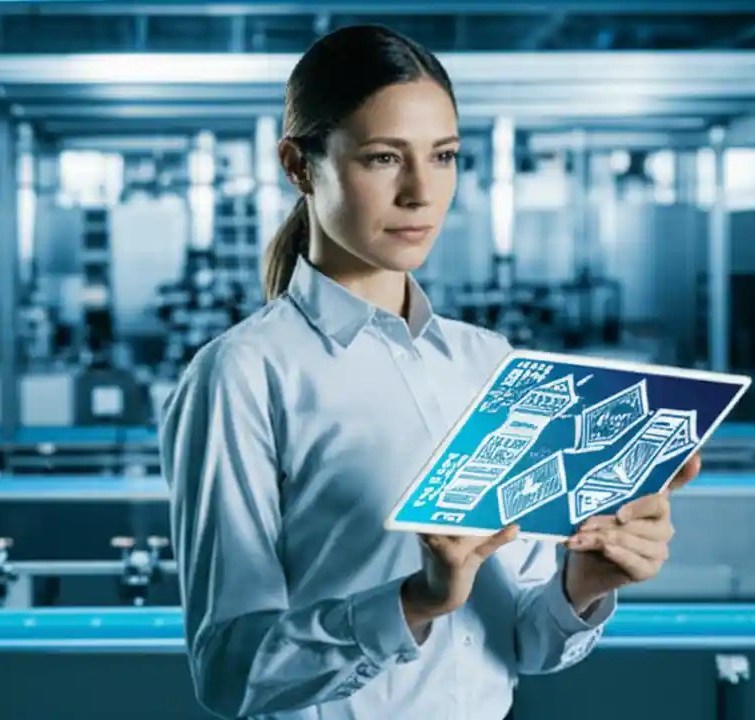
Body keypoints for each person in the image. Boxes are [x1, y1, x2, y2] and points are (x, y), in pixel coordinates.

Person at [158, 24, 701, 720]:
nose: (421, 192)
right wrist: (416, 601)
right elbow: (230, 669)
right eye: (385, 158)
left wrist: (583, 585)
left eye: (443, 156)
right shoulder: (243, 375)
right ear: (298, 165)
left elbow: (526, 644)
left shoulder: (490, 362)